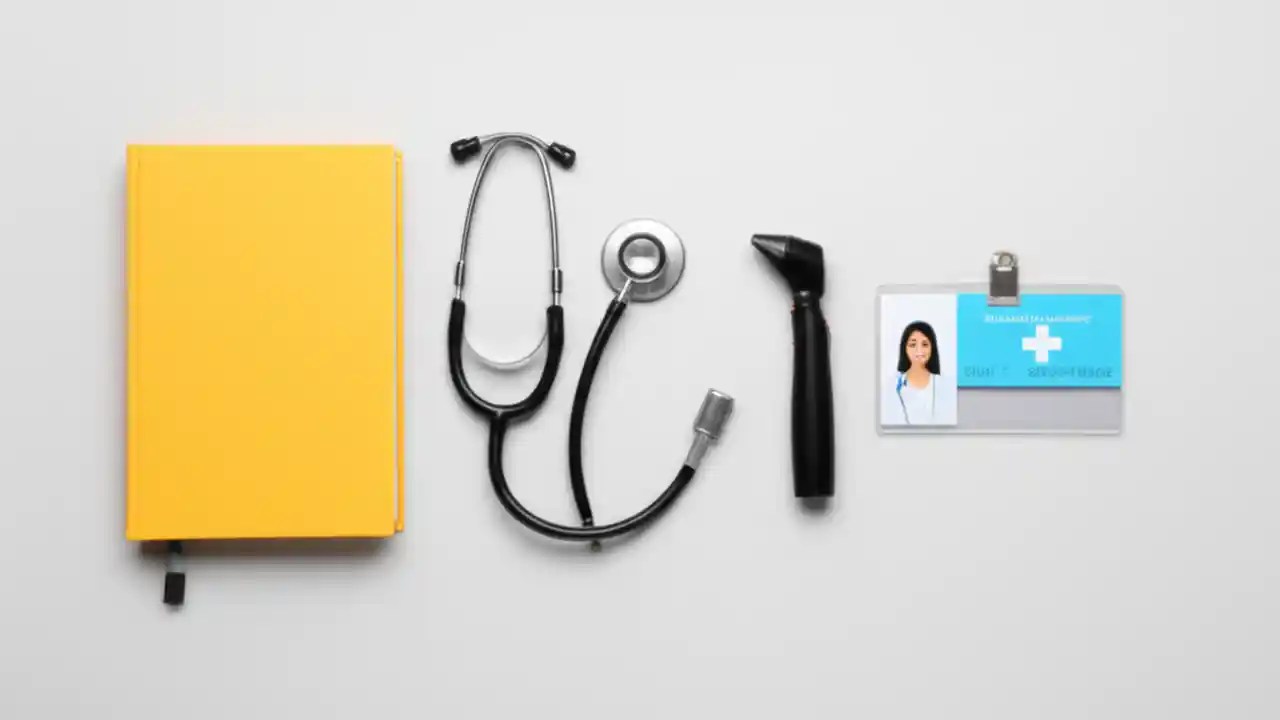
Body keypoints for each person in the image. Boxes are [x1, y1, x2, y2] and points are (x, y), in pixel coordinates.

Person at [890, 321, 942, 425]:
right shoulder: (893, 385)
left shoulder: (943, 383)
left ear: (932, 348)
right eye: (913, 345)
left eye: (925, 344)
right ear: (904, 348)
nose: (919, 350)